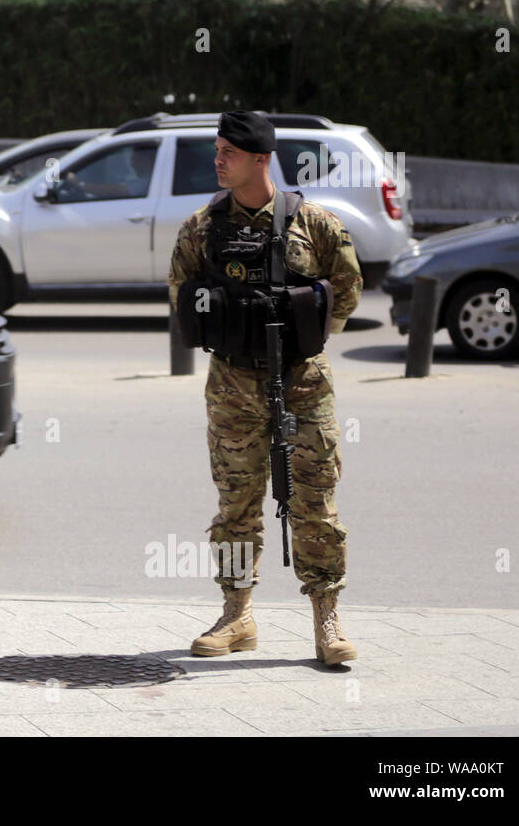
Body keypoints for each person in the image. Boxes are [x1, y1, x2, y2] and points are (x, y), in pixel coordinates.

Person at [168, 110, 362, 666]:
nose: (218, 160)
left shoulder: (316, 224)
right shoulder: (202, 229)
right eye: (217, 150)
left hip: (303, 383)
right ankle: (237, 616)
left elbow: (347, 291)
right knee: (235, 506)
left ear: (261, 158)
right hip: (232, 386)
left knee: (315, 503)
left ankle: (327, 619)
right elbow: (182, 294)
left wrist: (302, 329)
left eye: (228, 151)